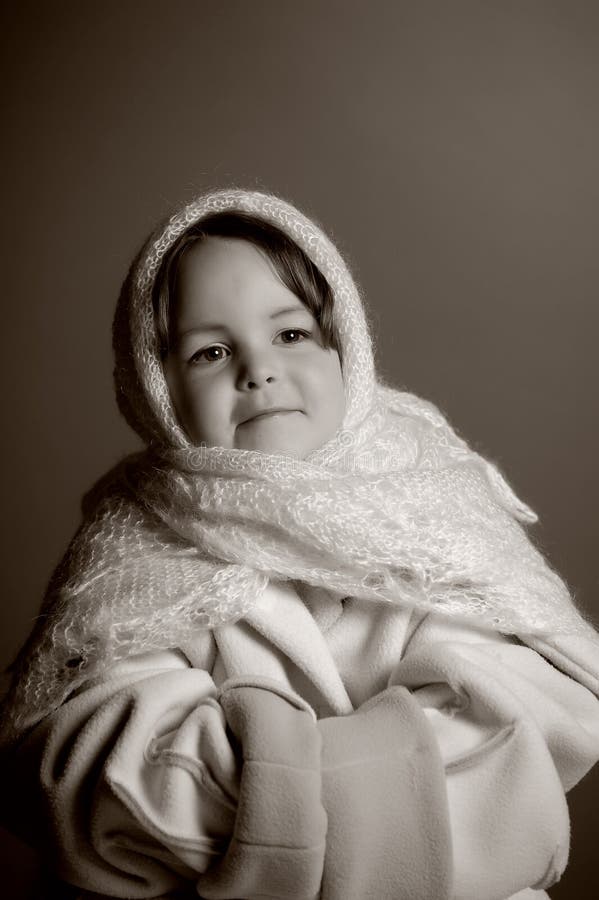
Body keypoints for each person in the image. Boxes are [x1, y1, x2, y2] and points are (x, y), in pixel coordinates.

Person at [1, 188, 598, 900]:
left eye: (289, 335)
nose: (257, 370)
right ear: (155, 388)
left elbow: (518, 717)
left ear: (345, 347)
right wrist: (362, 784)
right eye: (211, 352)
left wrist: (275, 793)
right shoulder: (135, 549)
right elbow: (100, 761)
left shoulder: (429, 504)